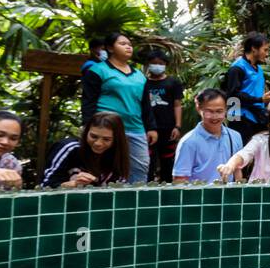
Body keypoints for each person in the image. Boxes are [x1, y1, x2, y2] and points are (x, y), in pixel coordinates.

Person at [82, 32, 156, 183]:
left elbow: (145, 104)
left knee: (141, 168)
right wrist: (88, 125)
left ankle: (136, 200)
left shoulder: (140, 75)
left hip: (135, 128)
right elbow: (88, 101)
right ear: (110, 48)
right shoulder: (98, 70)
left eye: (129, 44)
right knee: (103, 167)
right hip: (105, 129)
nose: (128, 47)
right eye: (122, 44)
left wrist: (151, 127)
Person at [41, 112, 130, 188]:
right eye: (93, 136)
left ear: (116, 140)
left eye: (106, 139)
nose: (98, 143)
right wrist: (75, 184)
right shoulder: (69, 148)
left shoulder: (118, 156)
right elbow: (46, 186)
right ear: (86, 132)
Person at [173, 88, 244, 183]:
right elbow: (179, 179)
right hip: (199, 196)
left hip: (228, 196)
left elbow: (237, 170)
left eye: (219, 111)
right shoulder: (188, 142)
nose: (214, 117)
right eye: (209, 111)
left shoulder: (235, 136)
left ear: (226, 109)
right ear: (198, 108)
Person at [221, 32, 270, 143]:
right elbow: (233, 96)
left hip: (257, 118)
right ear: (254, 49)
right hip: (240, 119)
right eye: (265, 50)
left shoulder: (259, 69)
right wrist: (259, 100)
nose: (267, 54)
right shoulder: (237, 68)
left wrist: (263, 100)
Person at [144, 50, 184, 183]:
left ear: (165, 65)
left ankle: (167, 188)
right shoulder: (142, 82)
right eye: (153, 63)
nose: (157, 66)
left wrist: (177, 126)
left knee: (167, 161)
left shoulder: (173, 82)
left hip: (168, 128)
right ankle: (146, 189)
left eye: (160, 63)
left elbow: (177, 105)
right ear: (148, 64)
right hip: (147, 128)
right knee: (148, 161)